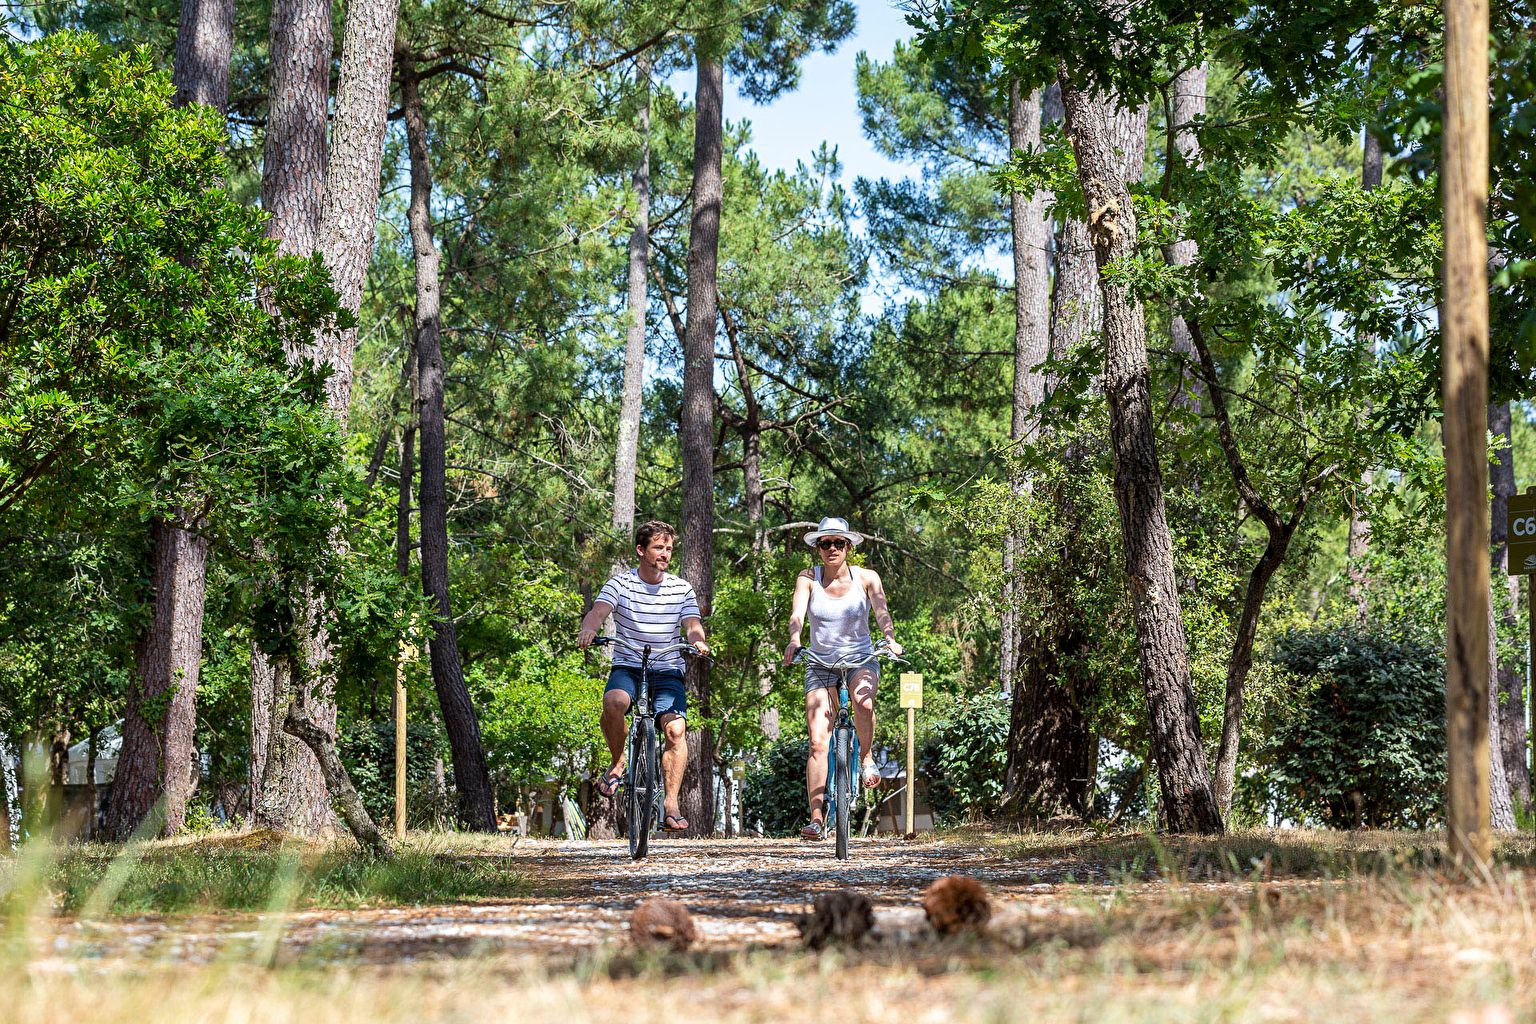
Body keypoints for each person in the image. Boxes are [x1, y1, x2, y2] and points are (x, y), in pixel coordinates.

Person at [578, 520, 709, 833]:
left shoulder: (681, 588)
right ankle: (618, 761)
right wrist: (589, 628)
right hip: (628, 664)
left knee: (676, 730)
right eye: (658, 548)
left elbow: (691, 623)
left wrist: (698, 640)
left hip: (667, 667)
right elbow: (598, 611)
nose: (664, 554)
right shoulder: (620, 584)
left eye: (668, 549)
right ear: (641, 550)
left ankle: (671, 804)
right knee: (613, 702)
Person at [781, 516, 903, 841]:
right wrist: (794, 640)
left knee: (863, 702)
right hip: (821, 664)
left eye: (838, 543)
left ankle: (865, 755)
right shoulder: (808, 579)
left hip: (861, 659)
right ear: (818, 548)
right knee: (819, 741)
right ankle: (817, 818)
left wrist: (889, 638)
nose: (832, 548)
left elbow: (881, 612)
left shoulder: (867, 578)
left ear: (848, 546)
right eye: (825, 543)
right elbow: (796, 615)